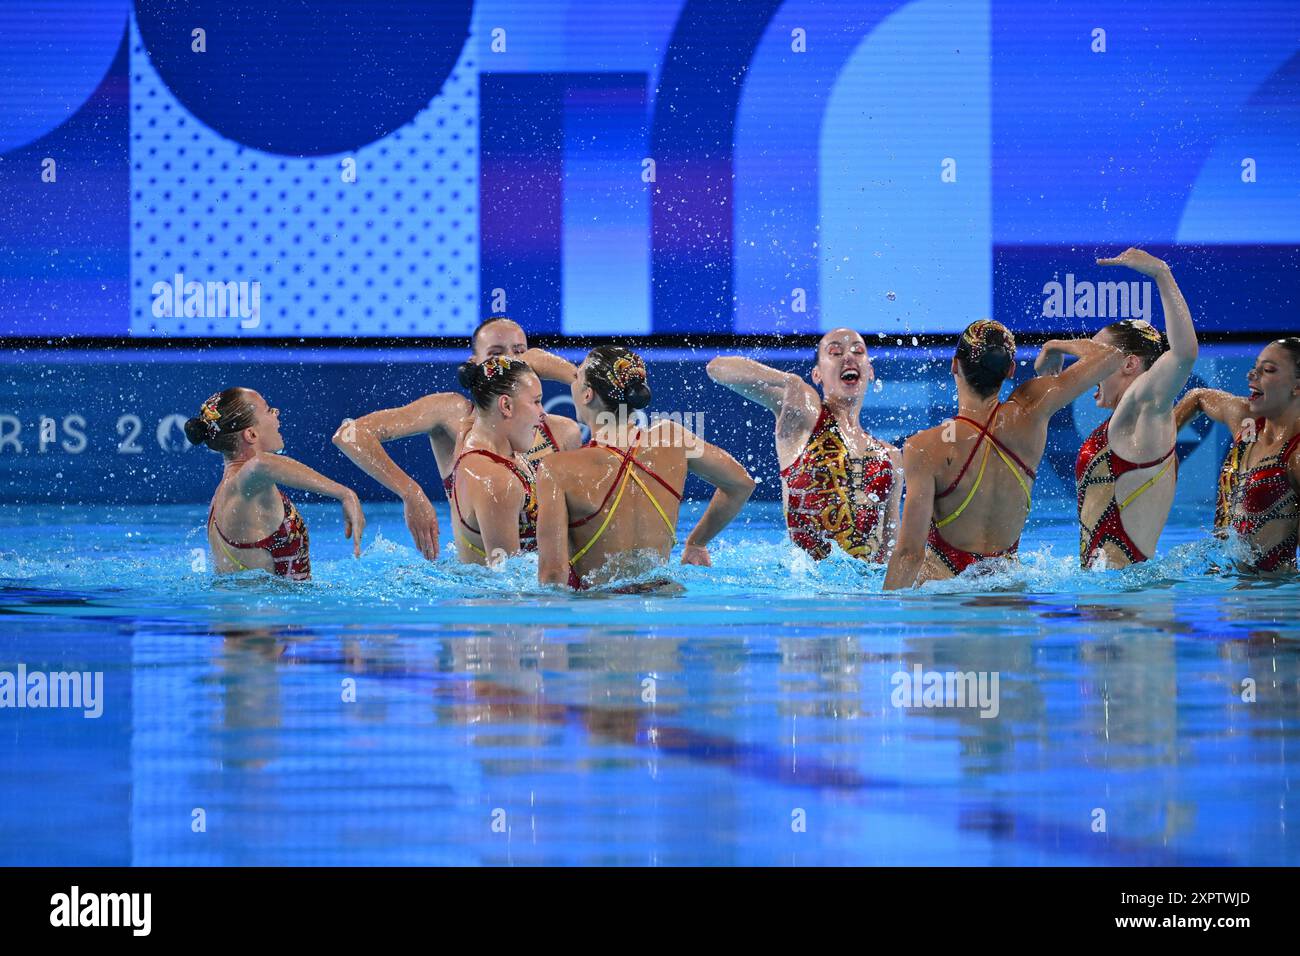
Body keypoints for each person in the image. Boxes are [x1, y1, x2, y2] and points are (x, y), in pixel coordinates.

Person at [883, 320, 1123, 589]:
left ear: (954, 365)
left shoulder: (923, 447)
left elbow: (909, 554)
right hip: (1007, 591)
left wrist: (885, 617)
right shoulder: (1031, 411)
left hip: (945, 596)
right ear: (1010, 370)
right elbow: (1111, 355)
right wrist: (1054, 345)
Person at [332, 317, 581, 559]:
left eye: (519, 352)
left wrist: (567, 372)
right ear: (475, 363)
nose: (509, 361)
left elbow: (604, 397)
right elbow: (350, 435)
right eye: (496, 354)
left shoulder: (563, 432)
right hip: (488, 586)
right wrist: (410, 492)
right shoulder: (452, 414)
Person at [536, 346, 756, 589]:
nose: (572, 381)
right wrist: (696, 542)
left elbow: (552, 575)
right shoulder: (673, 439)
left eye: (577, 376)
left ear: (587, 394)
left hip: (598, 607)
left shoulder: (557, 468)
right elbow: (741, 484)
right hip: (663, 596)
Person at [706, 328, 901, 563]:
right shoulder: (805, 416)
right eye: (835, 352)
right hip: (811, 589)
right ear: (817, 374)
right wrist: (788, 380)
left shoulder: (890, 456)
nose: (849, 357)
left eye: (858, 351)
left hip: (866, 590)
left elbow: (892, 547)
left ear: (870, 371)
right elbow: (717, 369)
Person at [1055, 249, 1198, 568]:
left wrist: (1162, 273)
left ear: (1130, 363)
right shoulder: (1131, 422)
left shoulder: (1144, 407)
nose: (1086, 367)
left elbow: (1184, 354)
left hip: (1127, 607)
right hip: (1120, 598)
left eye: (1096, 358)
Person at [186, 388, 365, 581]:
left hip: (257, 605)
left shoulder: (232, 492)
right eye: (268, 410)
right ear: (251, 434)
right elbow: (263, 464)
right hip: (266, 608)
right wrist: (345, 494)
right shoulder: (241, 487)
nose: (276, 412)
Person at [1176, 337, 1300, 574]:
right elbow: (1198, 397)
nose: (1251, 375)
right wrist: (1160, 448)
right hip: (1227, 593)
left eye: (1269, 370)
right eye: (1256, 367)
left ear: (1296, 385)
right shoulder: (1247, 422)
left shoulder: (1295, 455)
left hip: (1269, 599)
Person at [444, 356, 547, 563]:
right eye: (536, 401)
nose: (543, 413)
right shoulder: (495, 480)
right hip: (493, 594)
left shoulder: (502, 455)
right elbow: (509, 582)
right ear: (506, 405)